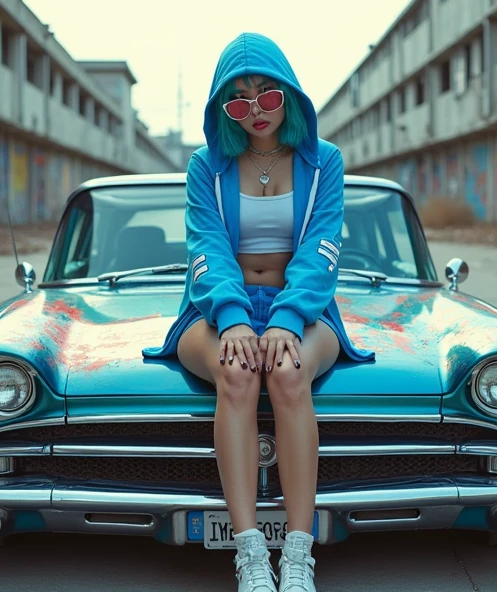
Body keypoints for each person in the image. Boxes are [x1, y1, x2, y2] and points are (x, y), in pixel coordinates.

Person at [143, 31, 374, 592]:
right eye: (239, 100)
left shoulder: (324, 164)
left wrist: (289, 319)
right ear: (224, 108)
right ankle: (249, 553)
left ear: (290, 94)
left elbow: (323, 247)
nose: (256, 111)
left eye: (267, 95)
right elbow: (204, 246)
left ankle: (297, 555)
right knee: (237, 371)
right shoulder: (207, 165)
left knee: (290, 374)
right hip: (218, 307)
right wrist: (236, 316)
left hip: (305, 307)